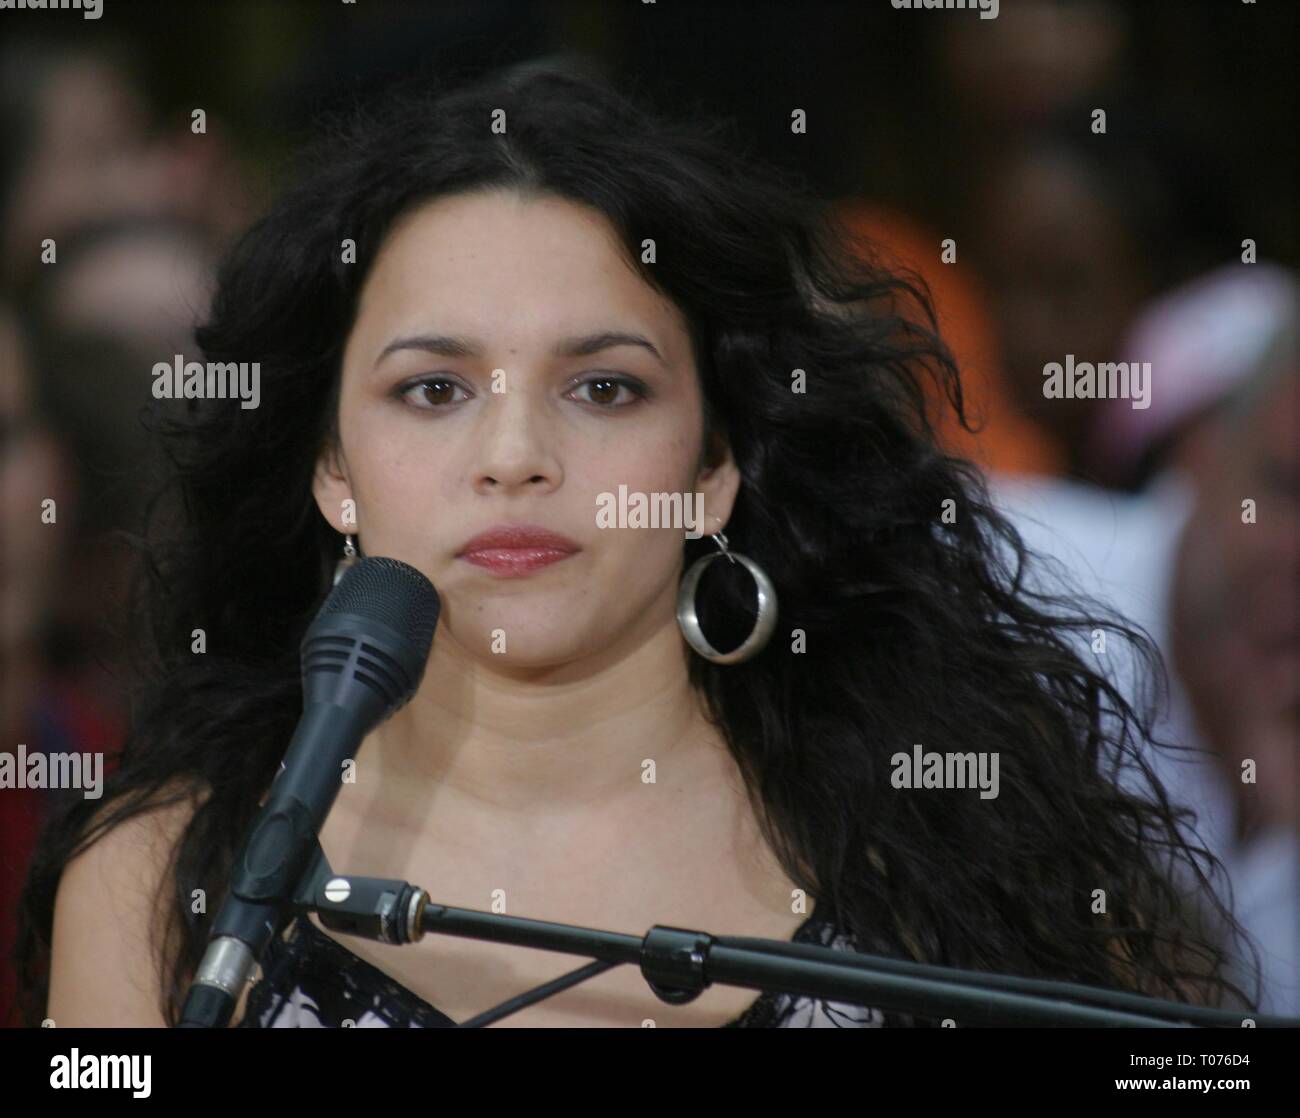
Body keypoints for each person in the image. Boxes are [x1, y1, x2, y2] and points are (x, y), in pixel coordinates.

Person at [15, 62, 1257, 1028]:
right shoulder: (162, 879)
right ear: (332, 470)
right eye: (433, 390)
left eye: (603, 388)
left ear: (717, 465)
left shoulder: (946, 841)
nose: (515, 455)